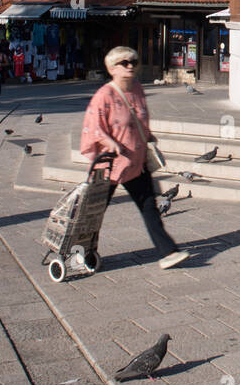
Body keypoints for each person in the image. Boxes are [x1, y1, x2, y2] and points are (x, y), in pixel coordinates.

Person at [80, 46, 189, 270]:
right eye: (124, 63)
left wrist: (147, 135)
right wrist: (110, 142)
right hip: (111, 164)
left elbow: (141, 118)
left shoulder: (137, 89)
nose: (130, 66)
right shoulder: (104, 95)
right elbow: (93, 127)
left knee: (149, 206)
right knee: (95, 212)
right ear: (111, 68)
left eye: (133, 61)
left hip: (136, 162)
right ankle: (83, 251)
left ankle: (167, 252)